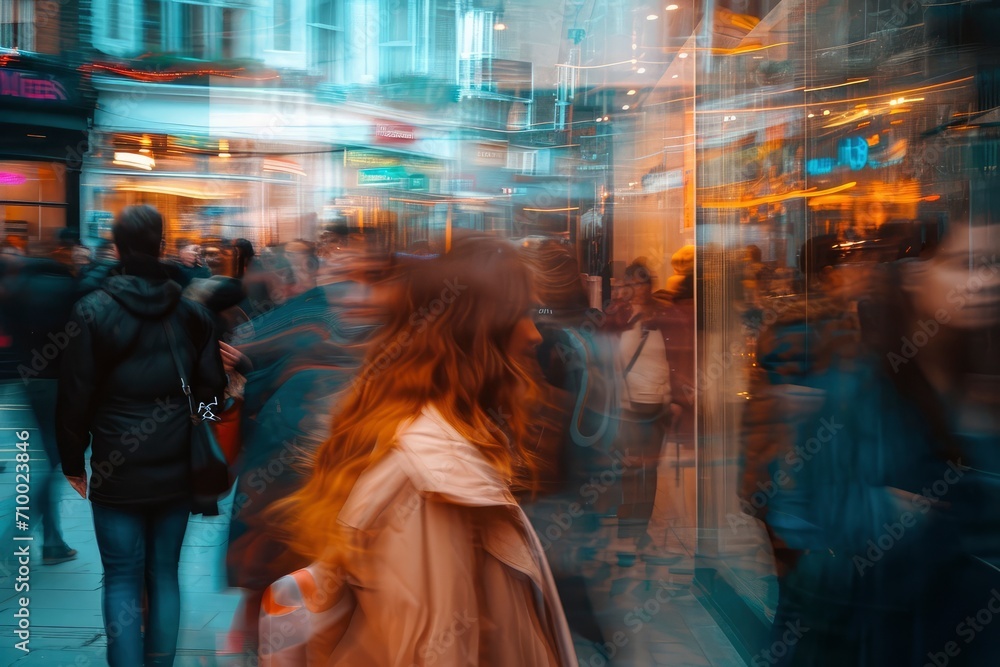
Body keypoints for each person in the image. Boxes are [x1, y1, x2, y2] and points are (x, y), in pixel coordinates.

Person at [261, 236, 577, 666]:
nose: (535, 334)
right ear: (479, 334)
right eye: (522, 314)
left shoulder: (442, 451)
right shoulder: (431, 482)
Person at [56, 205, 226, 667]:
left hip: (117, 465)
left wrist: (72, 461)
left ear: (116, 248)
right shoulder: (193, 314)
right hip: (176, 464)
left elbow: (74, 397)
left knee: (121, 578)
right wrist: (200, 419)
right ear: (162, 245)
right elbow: (213, 394)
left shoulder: (92, 310)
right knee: (164, 575)